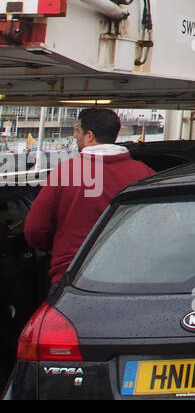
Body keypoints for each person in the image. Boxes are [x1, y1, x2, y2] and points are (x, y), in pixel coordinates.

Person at [24, 108, 155, 285]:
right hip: (132, 275)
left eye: (77, 131)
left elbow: (35, 229)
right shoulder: (145, 173)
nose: (76, 137)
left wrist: (57, 247)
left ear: (89, 135)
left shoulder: (67, 172)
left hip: (74, 274)